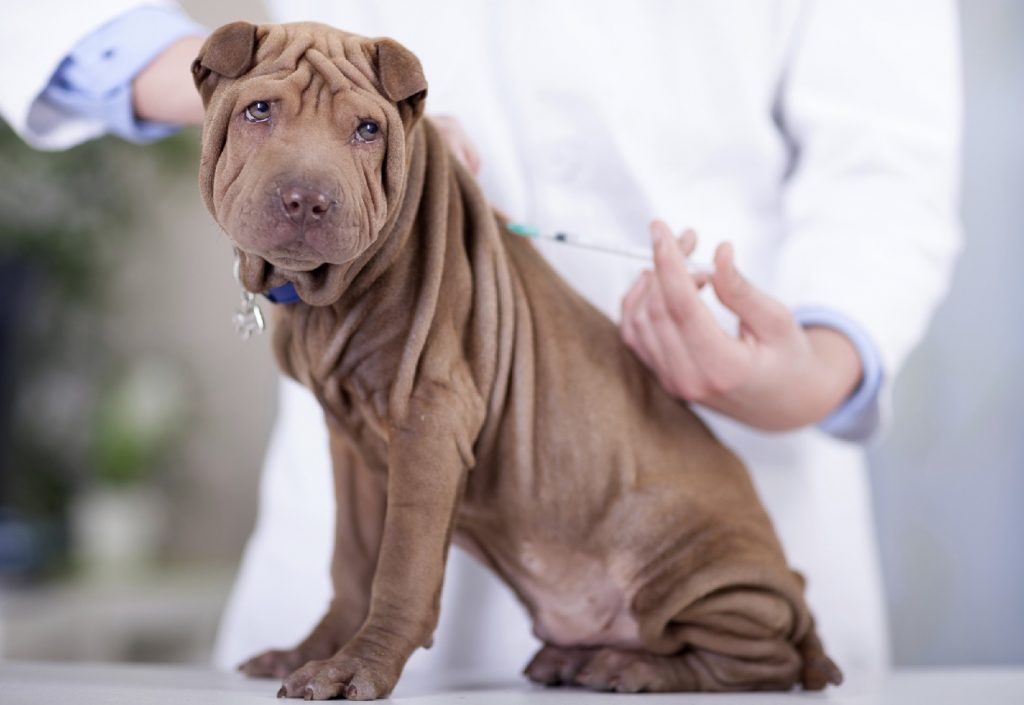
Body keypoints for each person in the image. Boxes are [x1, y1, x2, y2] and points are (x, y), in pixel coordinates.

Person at [0, 0, 961, 685]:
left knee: (718, 600)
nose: (306, 176)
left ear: (401, 122)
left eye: (365, 132)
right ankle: (355, 616)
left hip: (703, 458)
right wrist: (211, 84)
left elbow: (888, 171)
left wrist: (817, 367)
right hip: (340, 470)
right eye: (259, 113)